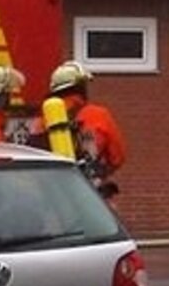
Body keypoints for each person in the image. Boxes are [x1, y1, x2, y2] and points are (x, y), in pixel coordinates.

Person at [46, 60, 126, 190]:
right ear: (81, 88)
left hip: (47, 190)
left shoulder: (41, 119)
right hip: (86, 189)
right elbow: (117, 157)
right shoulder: (98, 115)